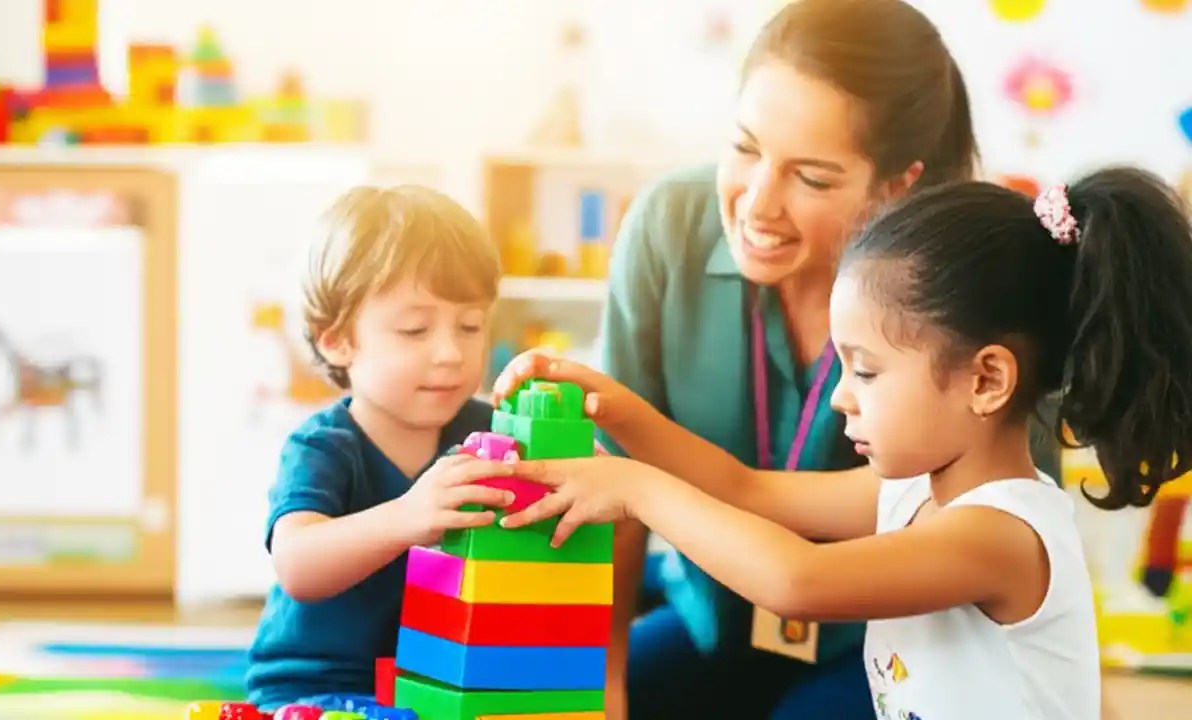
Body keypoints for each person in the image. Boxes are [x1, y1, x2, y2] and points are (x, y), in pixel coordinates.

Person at [485, 167, 1192, 720]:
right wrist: (611, 405)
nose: (840, 395)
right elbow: (747, 488)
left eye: (868, 369)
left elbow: (798, 581)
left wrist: (637, 491)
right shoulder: (915, 493)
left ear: (987, 379)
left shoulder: (1003, 533)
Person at [552, 0, 1032, 716]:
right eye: (744, 148)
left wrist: (639, 482)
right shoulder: (668, 225)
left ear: (897, 184)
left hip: (894, 648)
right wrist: (602, 686)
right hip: (712, 622)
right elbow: (627, 485)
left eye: (811, 177)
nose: (757, 204)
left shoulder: (971, 276)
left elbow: (801, 561)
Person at [245, 185, 517, 710]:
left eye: (470, 326)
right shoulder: (324, 446)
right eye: (415, 330)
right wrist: (409, 515)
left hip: (448, 688)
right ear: (337, 341)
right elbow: (298, 565)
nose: (449, 353)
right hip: (322, 686)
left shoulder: (492, 434)